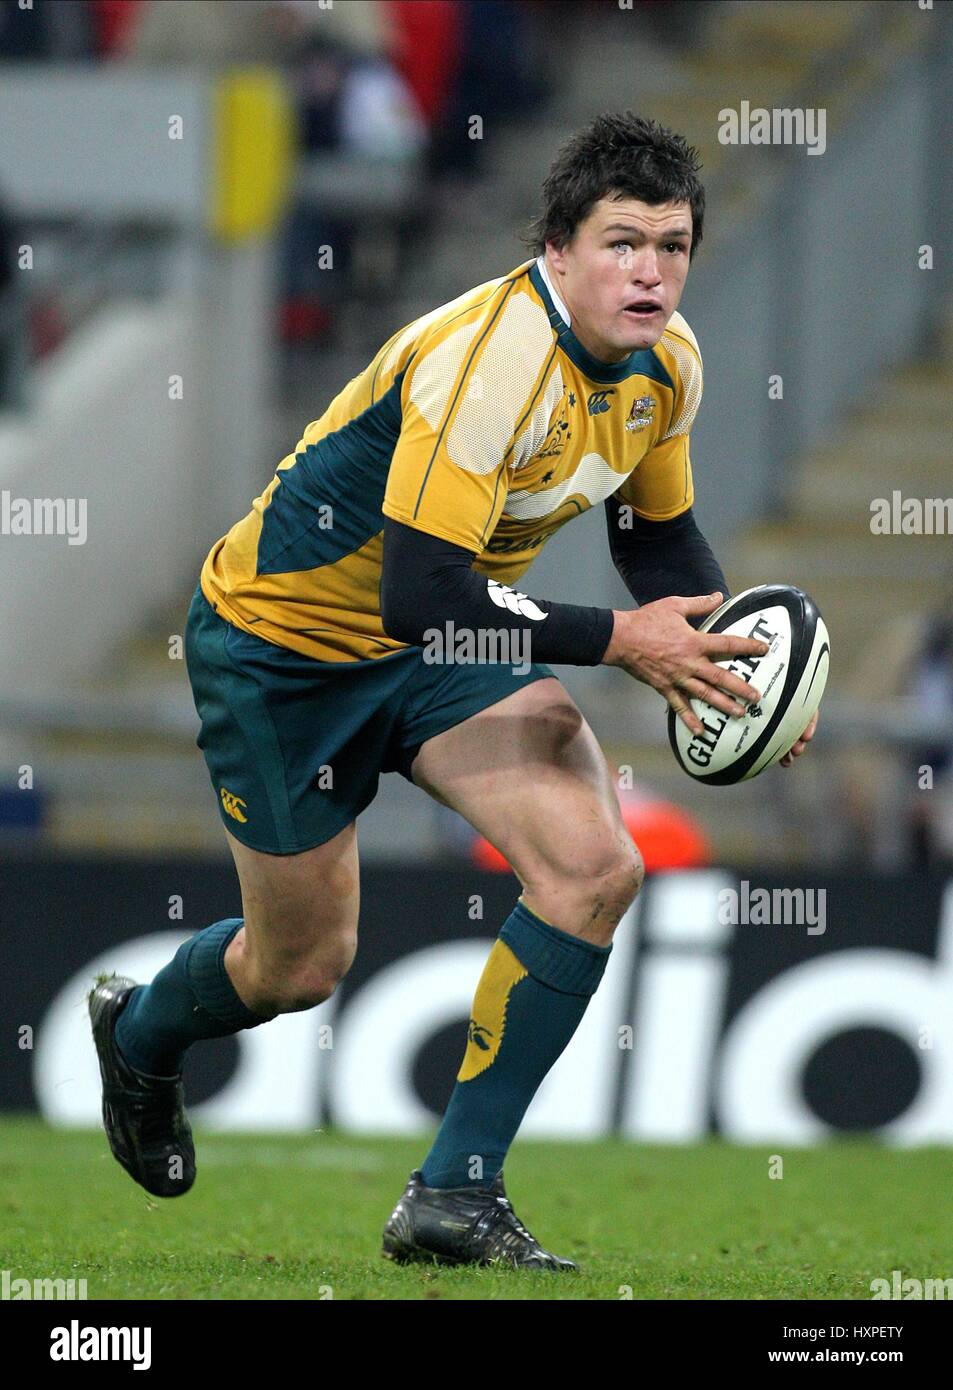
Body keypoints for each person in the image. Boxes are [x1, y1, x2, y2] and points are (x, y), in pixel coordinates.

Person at [89, 111, 816, 1271]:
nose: (650, 271)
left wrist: (725, 672)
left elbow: (659, 543)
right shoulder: (490, 363)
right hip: (282, 649)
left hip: (439, 649)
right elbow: (419, 593)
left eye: (671, 246)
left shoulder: (662, 365)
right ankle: (138, 1032)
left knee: (593, 867)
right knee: (299, 966)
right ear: (555, 249)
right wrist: (622, 643)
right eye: (622, 242)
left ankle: (453, 1195)